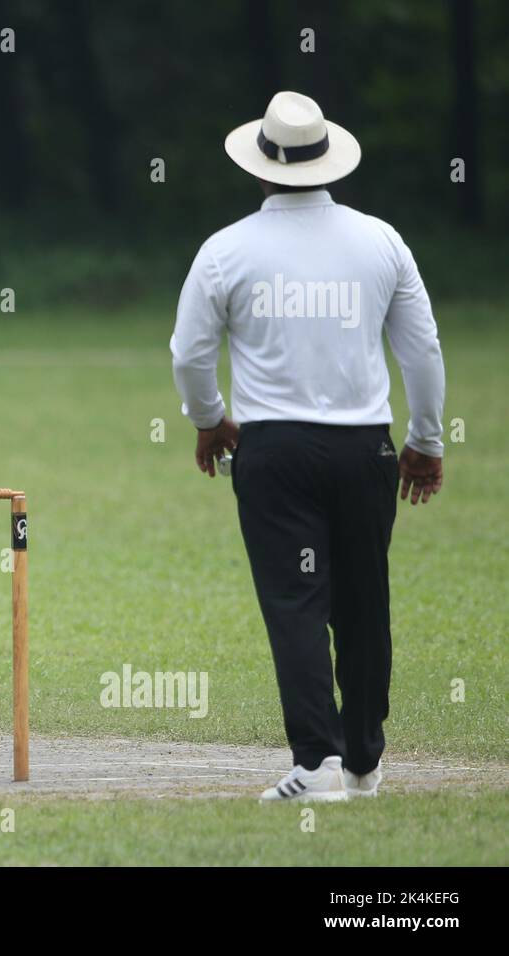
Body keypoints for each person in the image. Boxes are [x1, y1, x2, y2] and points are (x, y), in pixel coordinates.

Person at [170, 91, 446, 802]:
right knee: (363, 602)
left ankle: (316, 761)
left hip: (274, 452)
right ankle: (363, 764)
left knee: (296, 600)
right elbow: (421, 350)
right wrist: (425, 439)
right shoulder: (381, 241)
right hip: (365, 451)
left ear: (261, 167)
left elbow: (190, 353)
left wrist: (209, 420)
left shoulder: (226, 249)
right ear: (328, 161)